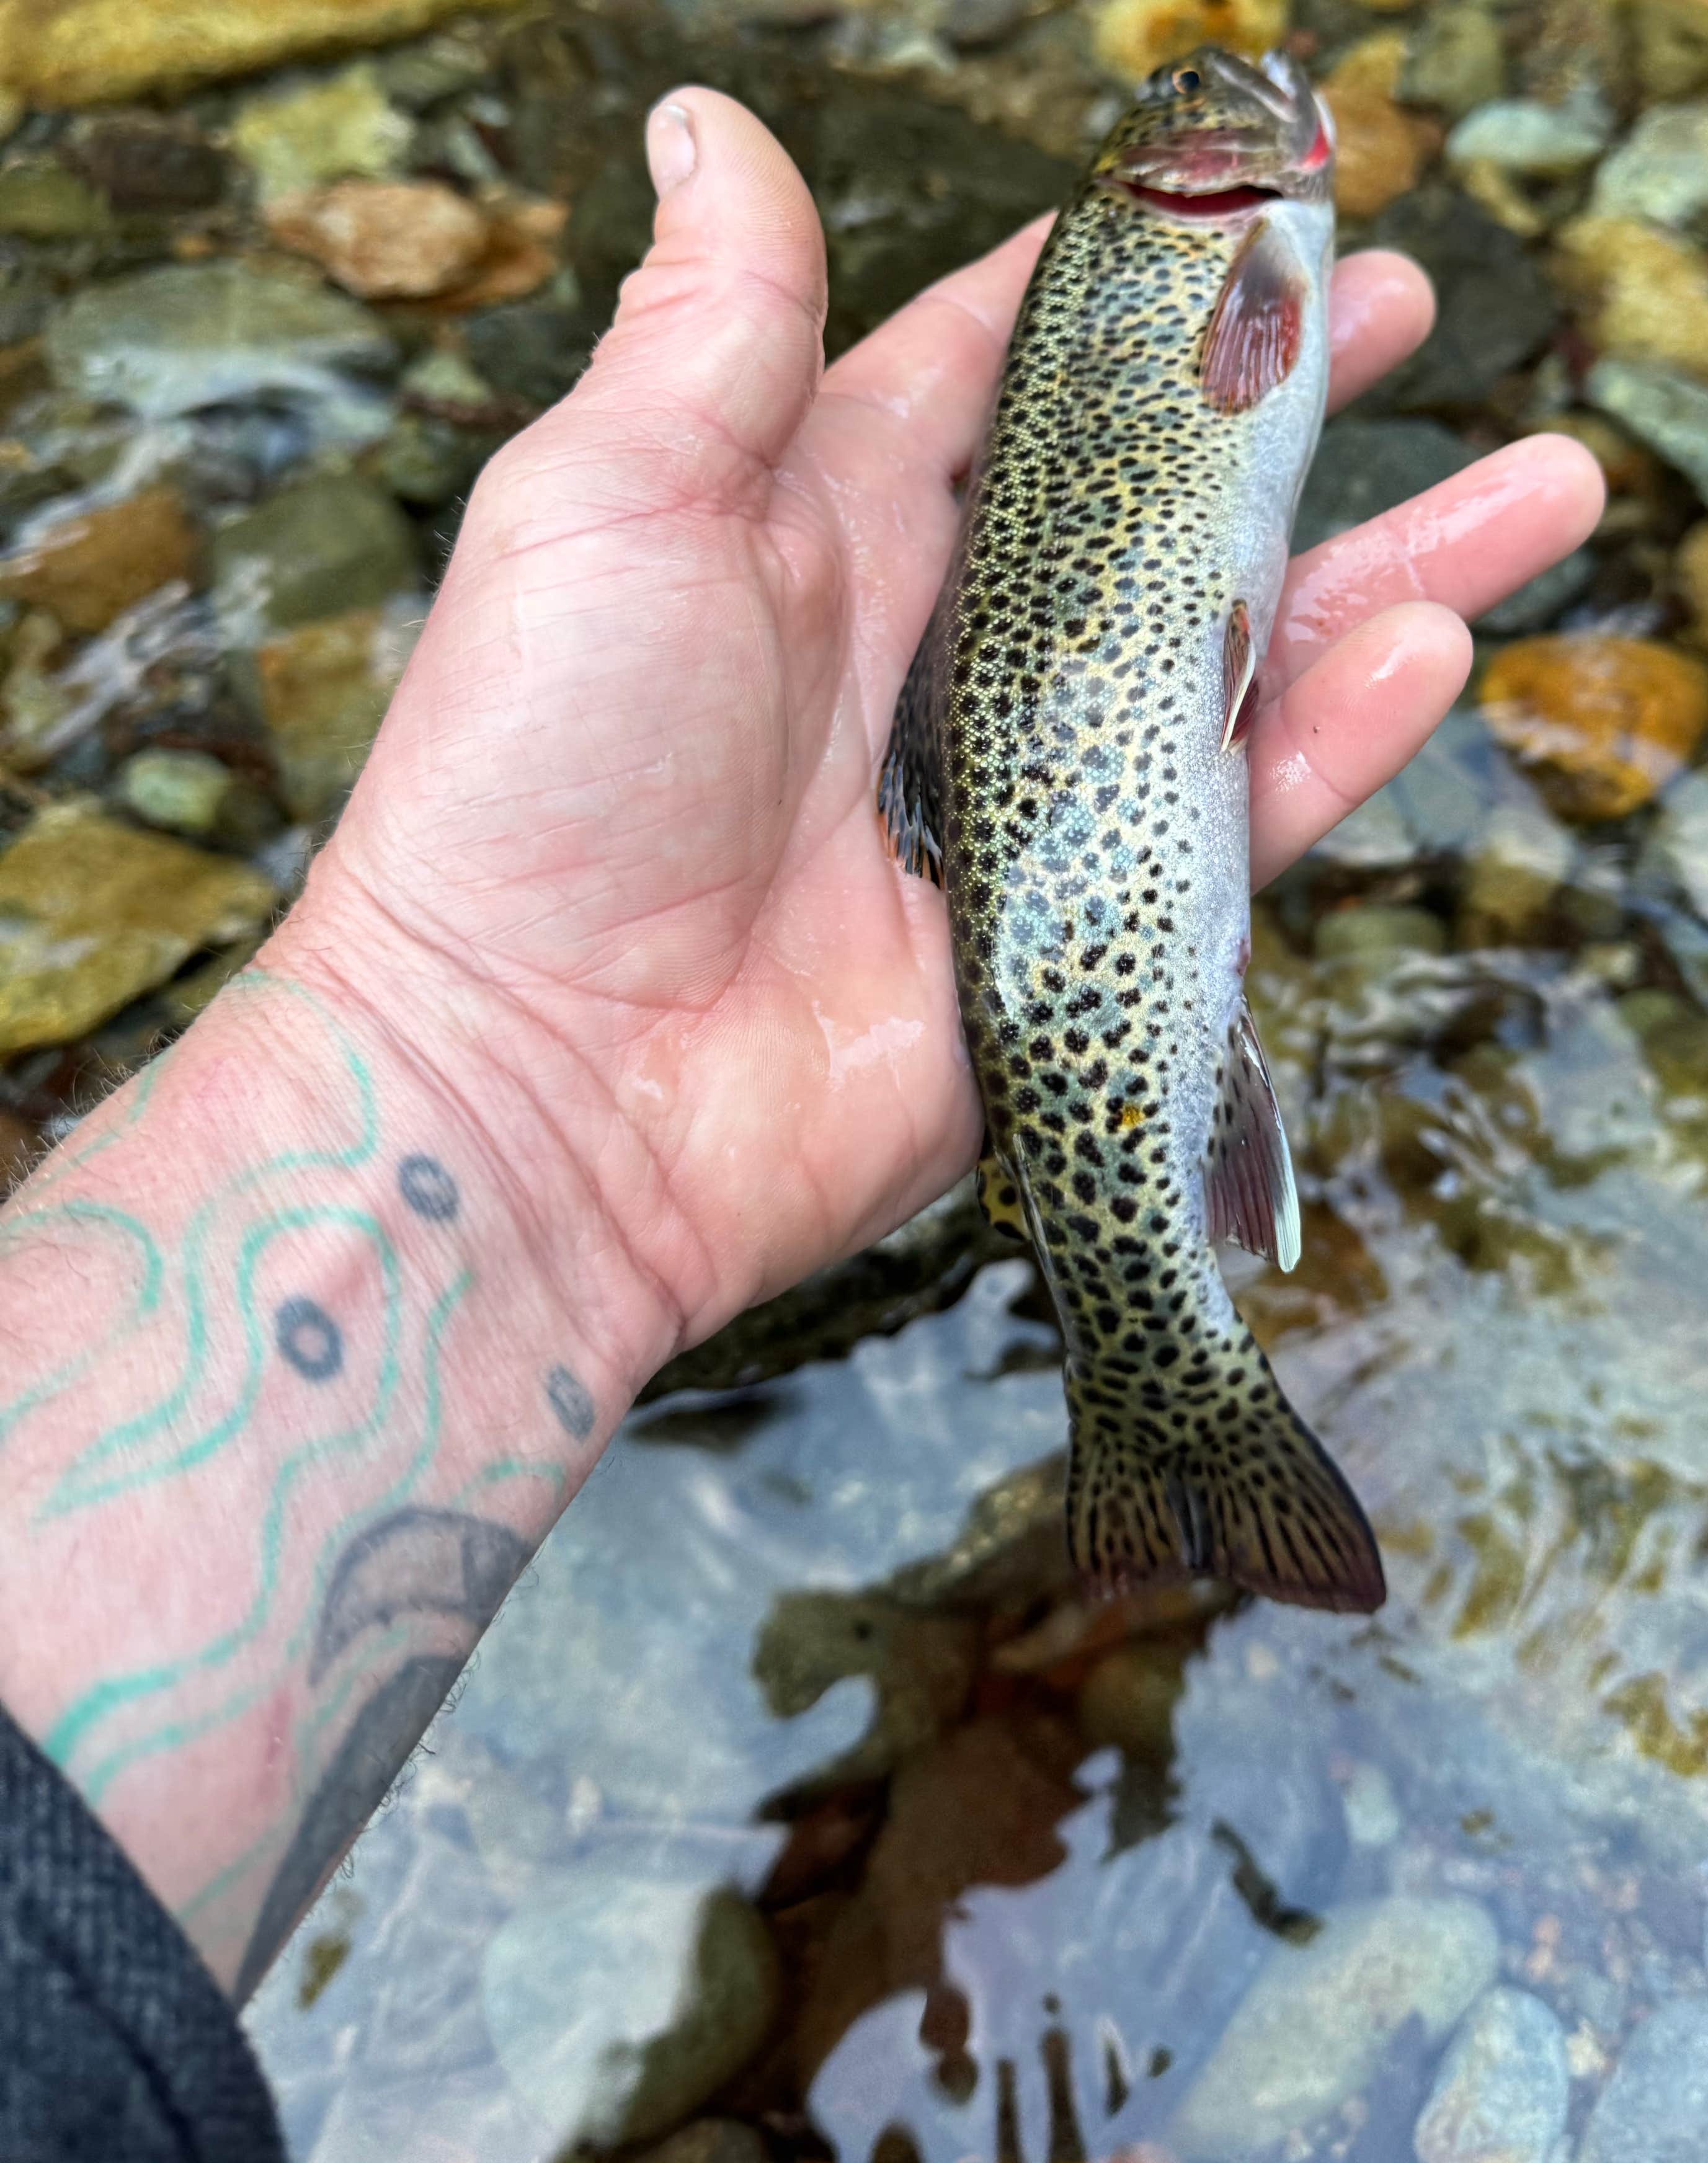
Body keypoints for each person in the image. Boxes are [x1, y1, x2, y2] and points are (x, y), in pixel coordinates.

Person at [0, 86, 1603, 2160]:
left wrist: (479, 1075)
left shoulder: (1191, 264)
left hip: (1062, 803)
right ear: (1200, 177)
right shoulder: (1198, 253)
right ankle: (1165, 1392)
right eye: (1210, 98)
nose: (1250, 98)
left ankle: (1160, 1396)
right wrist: (491, 1053)